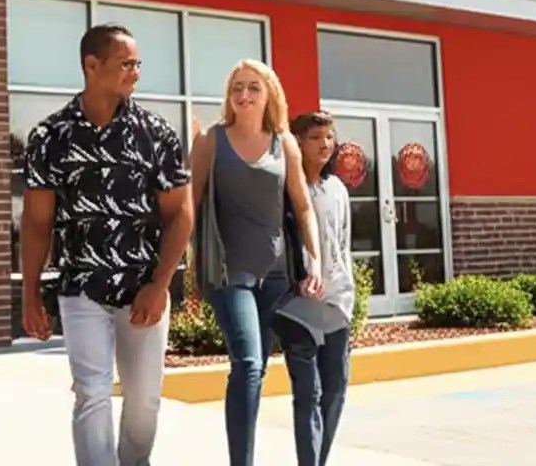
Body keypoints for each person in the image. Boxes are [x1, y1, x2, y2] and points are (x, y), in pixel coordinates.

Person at [20, 23, 194, 466]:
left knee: (144, 405)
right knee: (92, 394)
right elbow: (38, 223)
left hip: (144, 289)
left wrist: (160, 285)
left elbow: (180, 214)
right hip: (81, 289)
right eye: (126, 64)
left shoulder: (156, 134)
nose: (135, 72)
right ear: (91, 66)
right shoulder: (50, 137)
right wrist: (31, 293)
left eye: (137, 63)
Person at [189, 58, 323, 466]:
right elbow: (188, 208)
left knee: (263, 368)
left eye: (253, 87)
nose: (244, 95)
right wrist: (178, 272)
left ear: (269, 95)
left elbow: (302, 208)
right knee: (247, 364)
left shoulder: (284, 143)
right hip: (231, 273)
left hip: (278, 275)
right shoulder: (212, 141)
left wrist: (314, 260)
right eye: (237, 88)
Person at [273, 111, 355, 466]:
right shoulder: (285, 190)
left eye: (329, 137)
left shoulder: (337, 189)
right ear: (297, 143)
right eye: (315, 137)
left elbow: (343, 244)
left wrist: (348, 291)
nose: (324, 143)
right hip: (298, 304)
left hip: (336, 303)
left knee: (335, 391)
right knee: (310, 392)